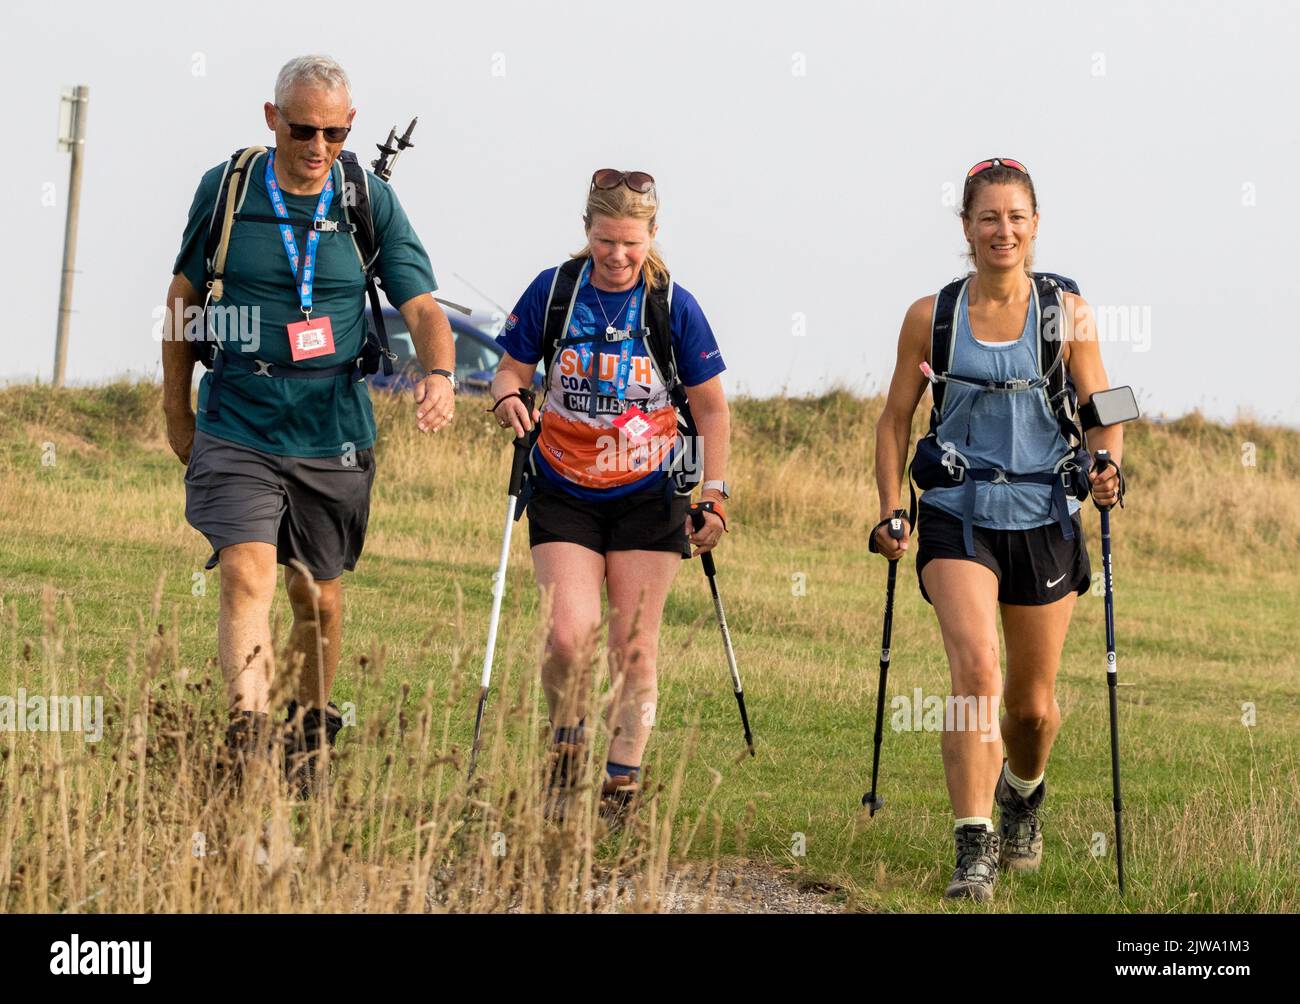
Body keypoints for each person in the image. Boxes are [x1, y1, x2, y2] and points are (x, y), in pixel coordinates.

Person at [161, 54, 456, 792]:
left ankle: (309, 734)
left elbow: (422, 306)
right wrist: (175, 405)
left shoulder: (367, 197)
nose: (318, 145)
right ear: (272, 118)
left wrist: (440, 376)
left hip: (332, 430)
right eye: (302, 129)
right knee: (244, 573)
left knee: (316, 598)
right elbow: (183, 295)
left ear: (349, 126)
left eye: (333, 131)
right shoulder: (227, 188)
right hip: (238, 418)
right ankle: (246, 746)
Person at [872, 157, 1125, 900]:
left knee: (1031, 709)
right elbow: (894, 422)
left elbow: (1101, 409)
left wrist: (1108, 469)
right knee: (976, 671)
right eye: (988, 218)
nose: (1002, 231)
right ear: (966, 228)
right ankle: (972, 845)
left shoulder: (1068, 313)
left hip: (1045, 514)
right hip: (958, 514)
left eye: (1016, 217)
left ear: (1036, 226)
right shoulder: (932, 316)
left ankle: (1023, 791)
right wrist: (892, 505)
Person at [489, 169, 731, 825]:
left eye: (631, 243)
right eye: (605, 242)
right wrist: (510, 396)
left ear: (653, 236)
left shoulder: (672, 303)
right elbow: (509, 368)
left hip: (652, 490)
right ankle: (566, 761)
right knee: (569, 637)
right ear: (586, 232)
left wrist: (715, 492)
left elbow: (710, 410)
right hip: (564, 484)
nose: (618, 256)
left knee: (634, 646)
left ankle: (619, 787)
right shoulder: (556, 290)